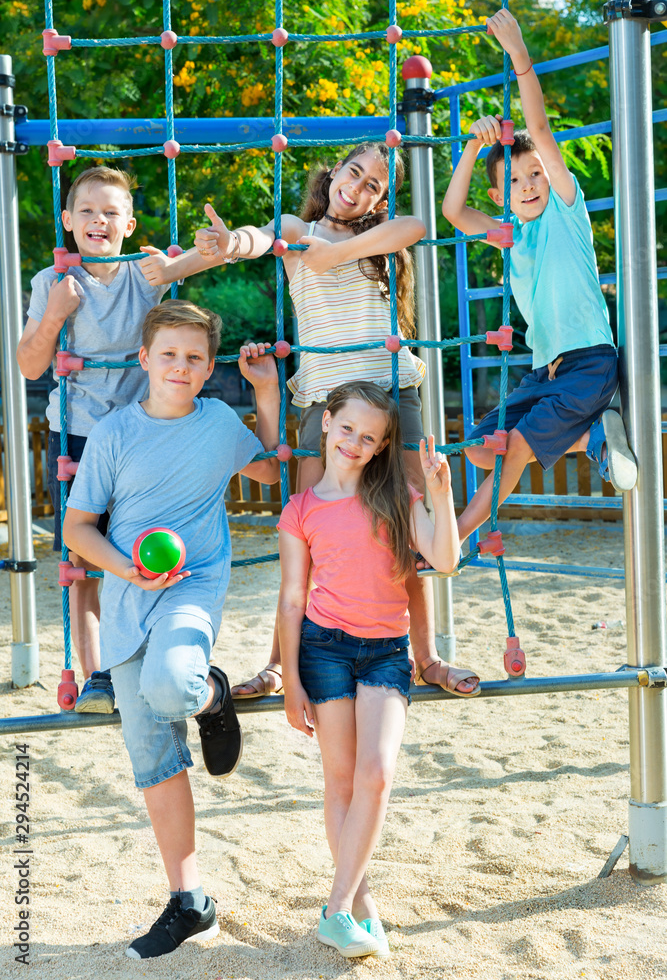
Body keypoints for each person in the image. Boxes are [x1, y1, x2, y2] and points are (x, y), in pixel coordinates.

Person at [176, 142, 478, 699]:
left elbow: (413, 224)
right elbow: (263, 238)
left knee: (406, 524)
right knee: (307, 524)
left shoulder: (377, 243)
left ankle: (428, 656)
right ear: (334, 171)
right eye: (354, 172)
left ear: (378, 200)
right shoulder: (298, 226)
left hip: (390, 390)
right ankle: (275, 661)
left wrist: (334, 254)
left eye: (373, 186)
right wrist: (233, 243)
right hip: (323, 399)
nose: (358, 187)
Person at [62, 299, 280, 959]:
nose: (180, 367)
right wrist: (124, 565)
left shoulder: (217, 421)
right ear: (145, 360)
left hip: (192, 588)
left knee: (170, 688)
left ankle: (208, 693)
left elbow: (271, 470)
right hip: (130, 599)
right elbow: (76, 529)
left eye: (193, 357)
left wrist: (266, 393)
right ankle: (189, 901)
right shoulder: (113, 433)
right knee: (153, 757)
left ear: (209, 367)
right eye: (168, 355)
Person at [277, 380, 473, 960]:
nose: (355, 443)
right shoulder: (302, 508)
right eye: (346, 430)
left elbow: (445, 560)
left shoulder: (397, 496)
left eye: (370, 438)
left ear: (383, 445)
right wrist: (290, 681)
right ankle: (360, 906)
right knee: (340, 780)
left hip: (386, 651)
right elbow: (291, 600)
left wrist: (439, 495)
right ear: (328, 423)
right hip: (324, 650)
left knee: (378, 775)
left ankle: (334, 909)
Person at [441, 9, 637, 544]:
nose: (528, 184)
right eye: (515, 181)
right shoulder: (511, 236)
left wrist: (519, 55)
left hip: (588, 365)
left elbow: (541, 131)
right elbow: (453, 212)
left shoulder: (565, 211)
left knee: (514, 450)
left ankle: (456, 534)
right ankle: (592, 433)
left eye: (536, 175)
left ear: (550, 179)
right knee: (482, 446)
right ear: (500, 197)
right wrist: (474, 146)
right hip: (543, 374)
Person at [17, 167, 190, 713]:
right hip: (80, 434)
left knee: (146, 552)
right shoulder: (53, 280)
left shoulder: (146, 273)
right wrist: (54, 315)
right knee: (84, 562)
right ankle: (97, 678)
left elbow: (200, 264)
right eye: (87, 211)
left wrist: (208, 250)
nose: (98, 220)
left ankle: (140, 658)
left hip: (141, 434)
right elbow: (28, 364)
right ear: (67, 220)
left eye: (111, 212)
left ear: (129, 223)